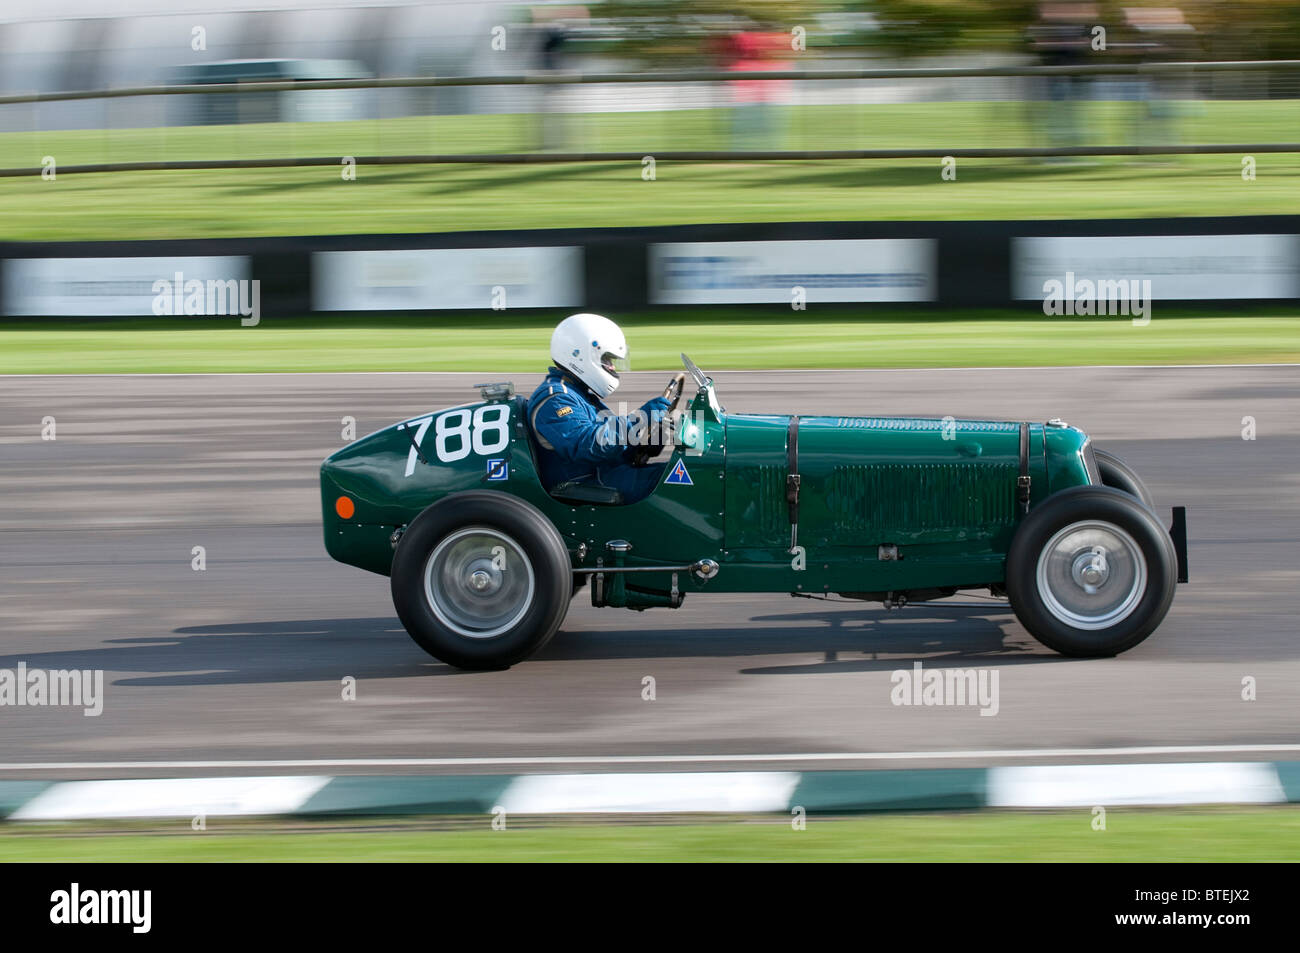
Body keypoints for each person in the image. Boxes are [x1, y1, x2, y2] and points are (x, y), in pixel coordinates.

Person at [527, 313, 671, 504]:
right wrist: (640, 418)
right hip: (587, 484)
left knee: (684, 471)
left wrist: (644, 442)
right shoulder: (556, 399)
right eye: (607, 360)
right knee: (681, 481)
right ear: (579, 354)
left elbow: (611, 444)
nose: (611, 367)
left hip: (606, 473)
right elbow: (589, 446)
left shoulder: (579, 393)